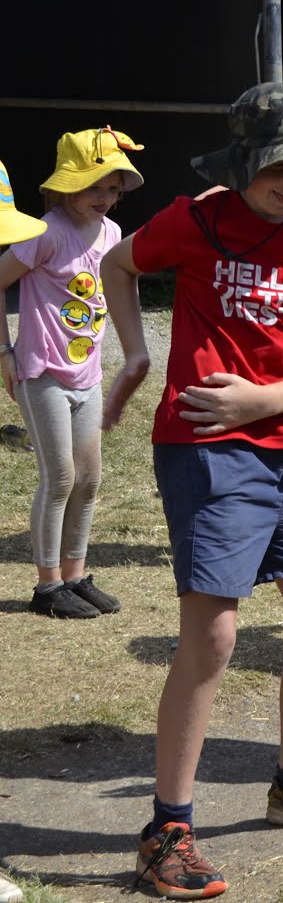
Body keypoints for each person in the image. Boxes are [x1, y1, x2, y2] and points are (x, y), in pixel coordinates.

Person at [101, 84, 283, 900]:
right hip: (205, 449)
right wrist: (136, 357)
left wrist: (265, 401)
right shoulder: (195, 221)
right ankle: (167, 825)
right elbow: (115, 263)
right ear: (242, 164)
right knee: (216, 637)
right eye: (279, 165)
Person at [0, 129, 140, 620]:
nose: (103, 198)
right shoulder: (43, 233)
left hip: (87, 375)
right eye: (93, 186)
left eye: (112, 188)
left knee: (89, 478)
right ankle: (46, 587)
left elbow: (117, 292)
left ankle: (75, 575)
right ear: (64, 187)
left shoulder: (112, 235)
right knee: (58, 477)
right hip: (42, 374)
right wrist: (5, 351)